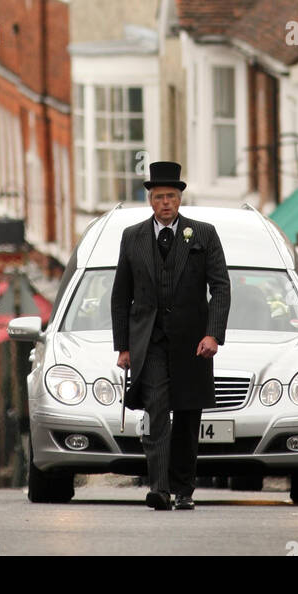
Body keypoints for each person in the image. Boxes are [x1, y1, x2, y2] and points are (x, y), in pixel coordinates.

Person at [111, 160, 230, 511]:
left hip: (193, 342)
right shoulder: (132, 237)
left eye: (172, 196)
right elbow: (120, 295)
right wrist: (123, 346)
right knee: (156, 411)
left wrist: (213, 335)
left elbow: (221, 287)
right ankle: (159, 488)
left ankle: (184, 490)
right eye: (160, 197)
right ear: (150, 200)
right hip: (150, 342)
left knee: (188, 415)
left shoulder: (204, 234)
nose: (166, 202)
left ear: (180, 199)